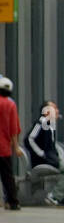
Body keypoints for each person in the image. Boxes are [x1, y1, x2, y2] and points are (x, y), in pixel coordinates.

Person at [0, 76, 20, 210]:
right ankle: (12, 202)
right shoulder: (11, 104)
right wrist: (16, 147)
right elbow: (14, 128)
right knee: (7, 176)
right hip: (4, 147)